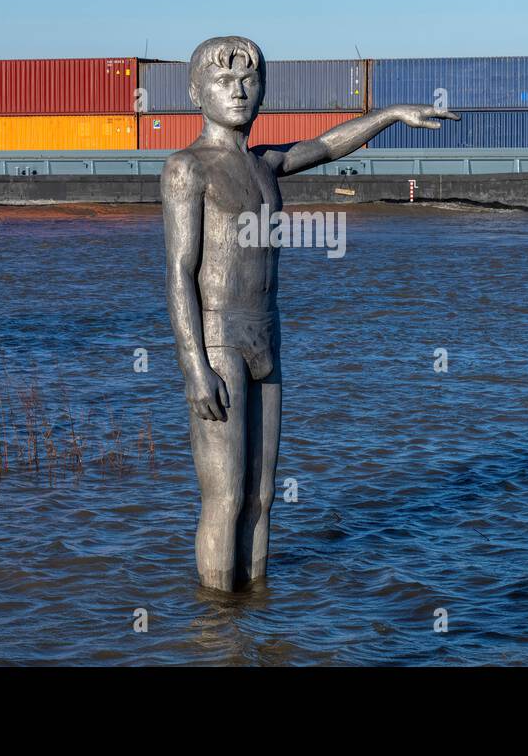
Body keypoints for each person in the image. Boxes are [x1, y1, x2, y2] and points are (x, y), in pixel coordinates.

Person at [162, 36, 455, 591]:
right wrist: (193, 365)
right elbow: (178, 273)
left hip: (266, 338)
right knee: (225, 494)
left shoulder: (266, 163)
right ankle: (217, 625)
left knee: (262, 494)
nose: (239, 90)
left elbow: (326, 146)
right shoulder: (187, 168)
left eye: (249, 80)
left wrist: (390, 114)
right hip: (219, 340)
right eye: (224, 81)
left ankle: (254, 606)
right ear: (196, 93)